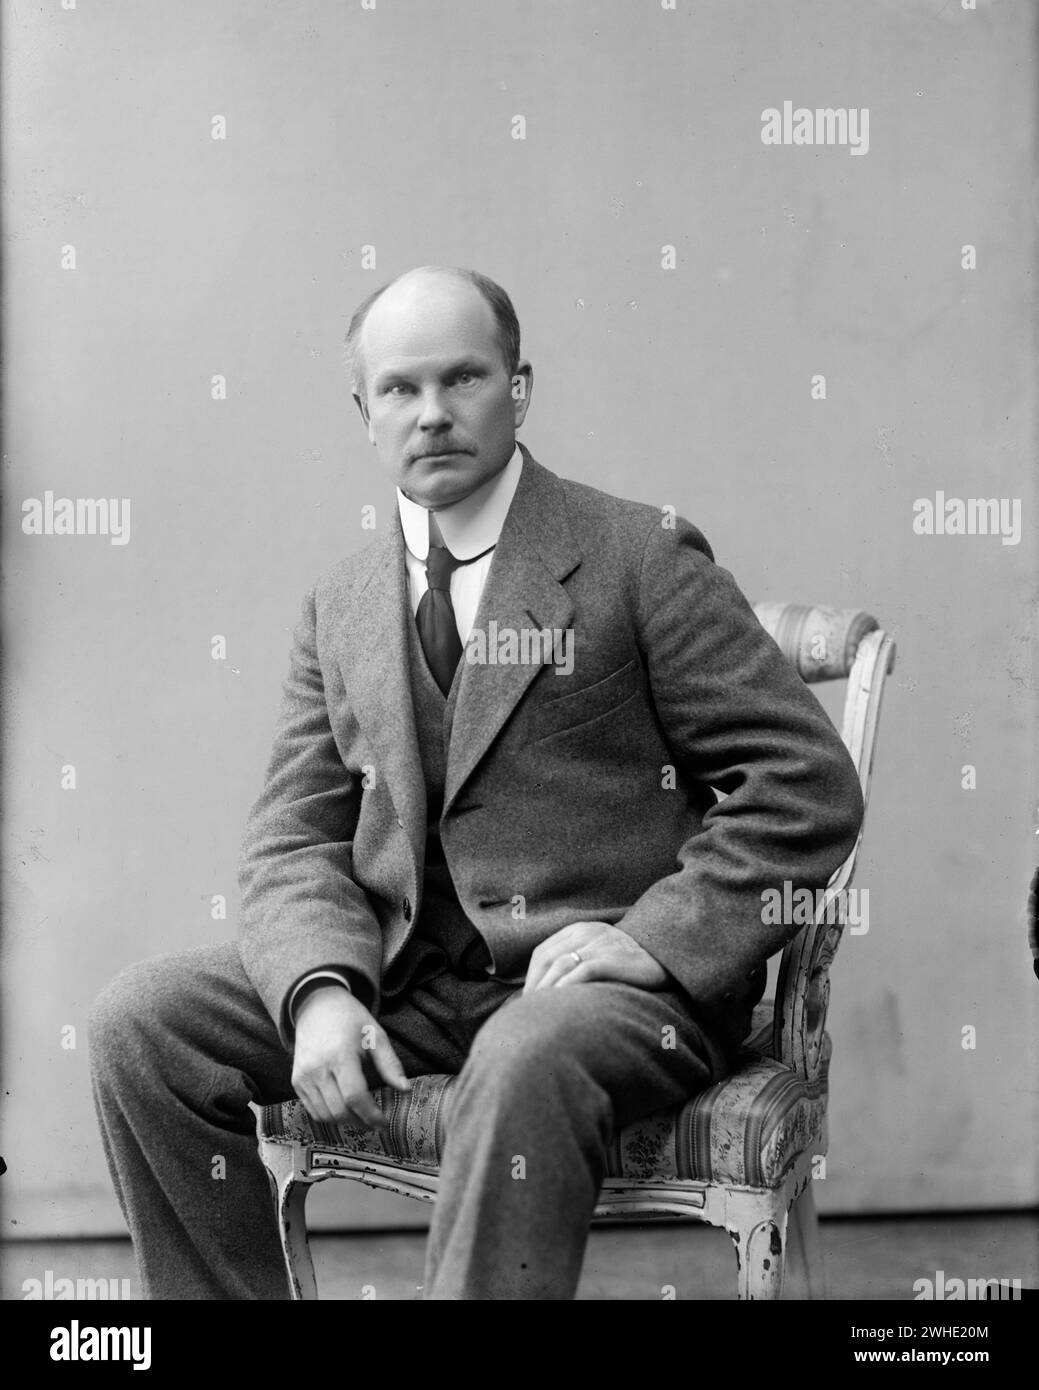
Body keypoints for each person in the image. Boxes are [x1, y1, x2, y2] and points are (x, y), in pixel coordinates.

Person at [90, 265, 864, 1300]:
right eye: (400, 389)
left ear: (519, 388)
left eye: (464, 379)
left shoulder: (636, 556)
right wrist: (320, 990)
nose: (432, 414)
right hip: (409, 983)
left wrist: (648, 940)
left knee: (522, 1050)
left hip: (603, 1003)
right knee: (141, 1024)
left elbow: (804, 782)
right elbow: (293, 837)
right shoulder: (343, 606)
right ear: (362, 412)